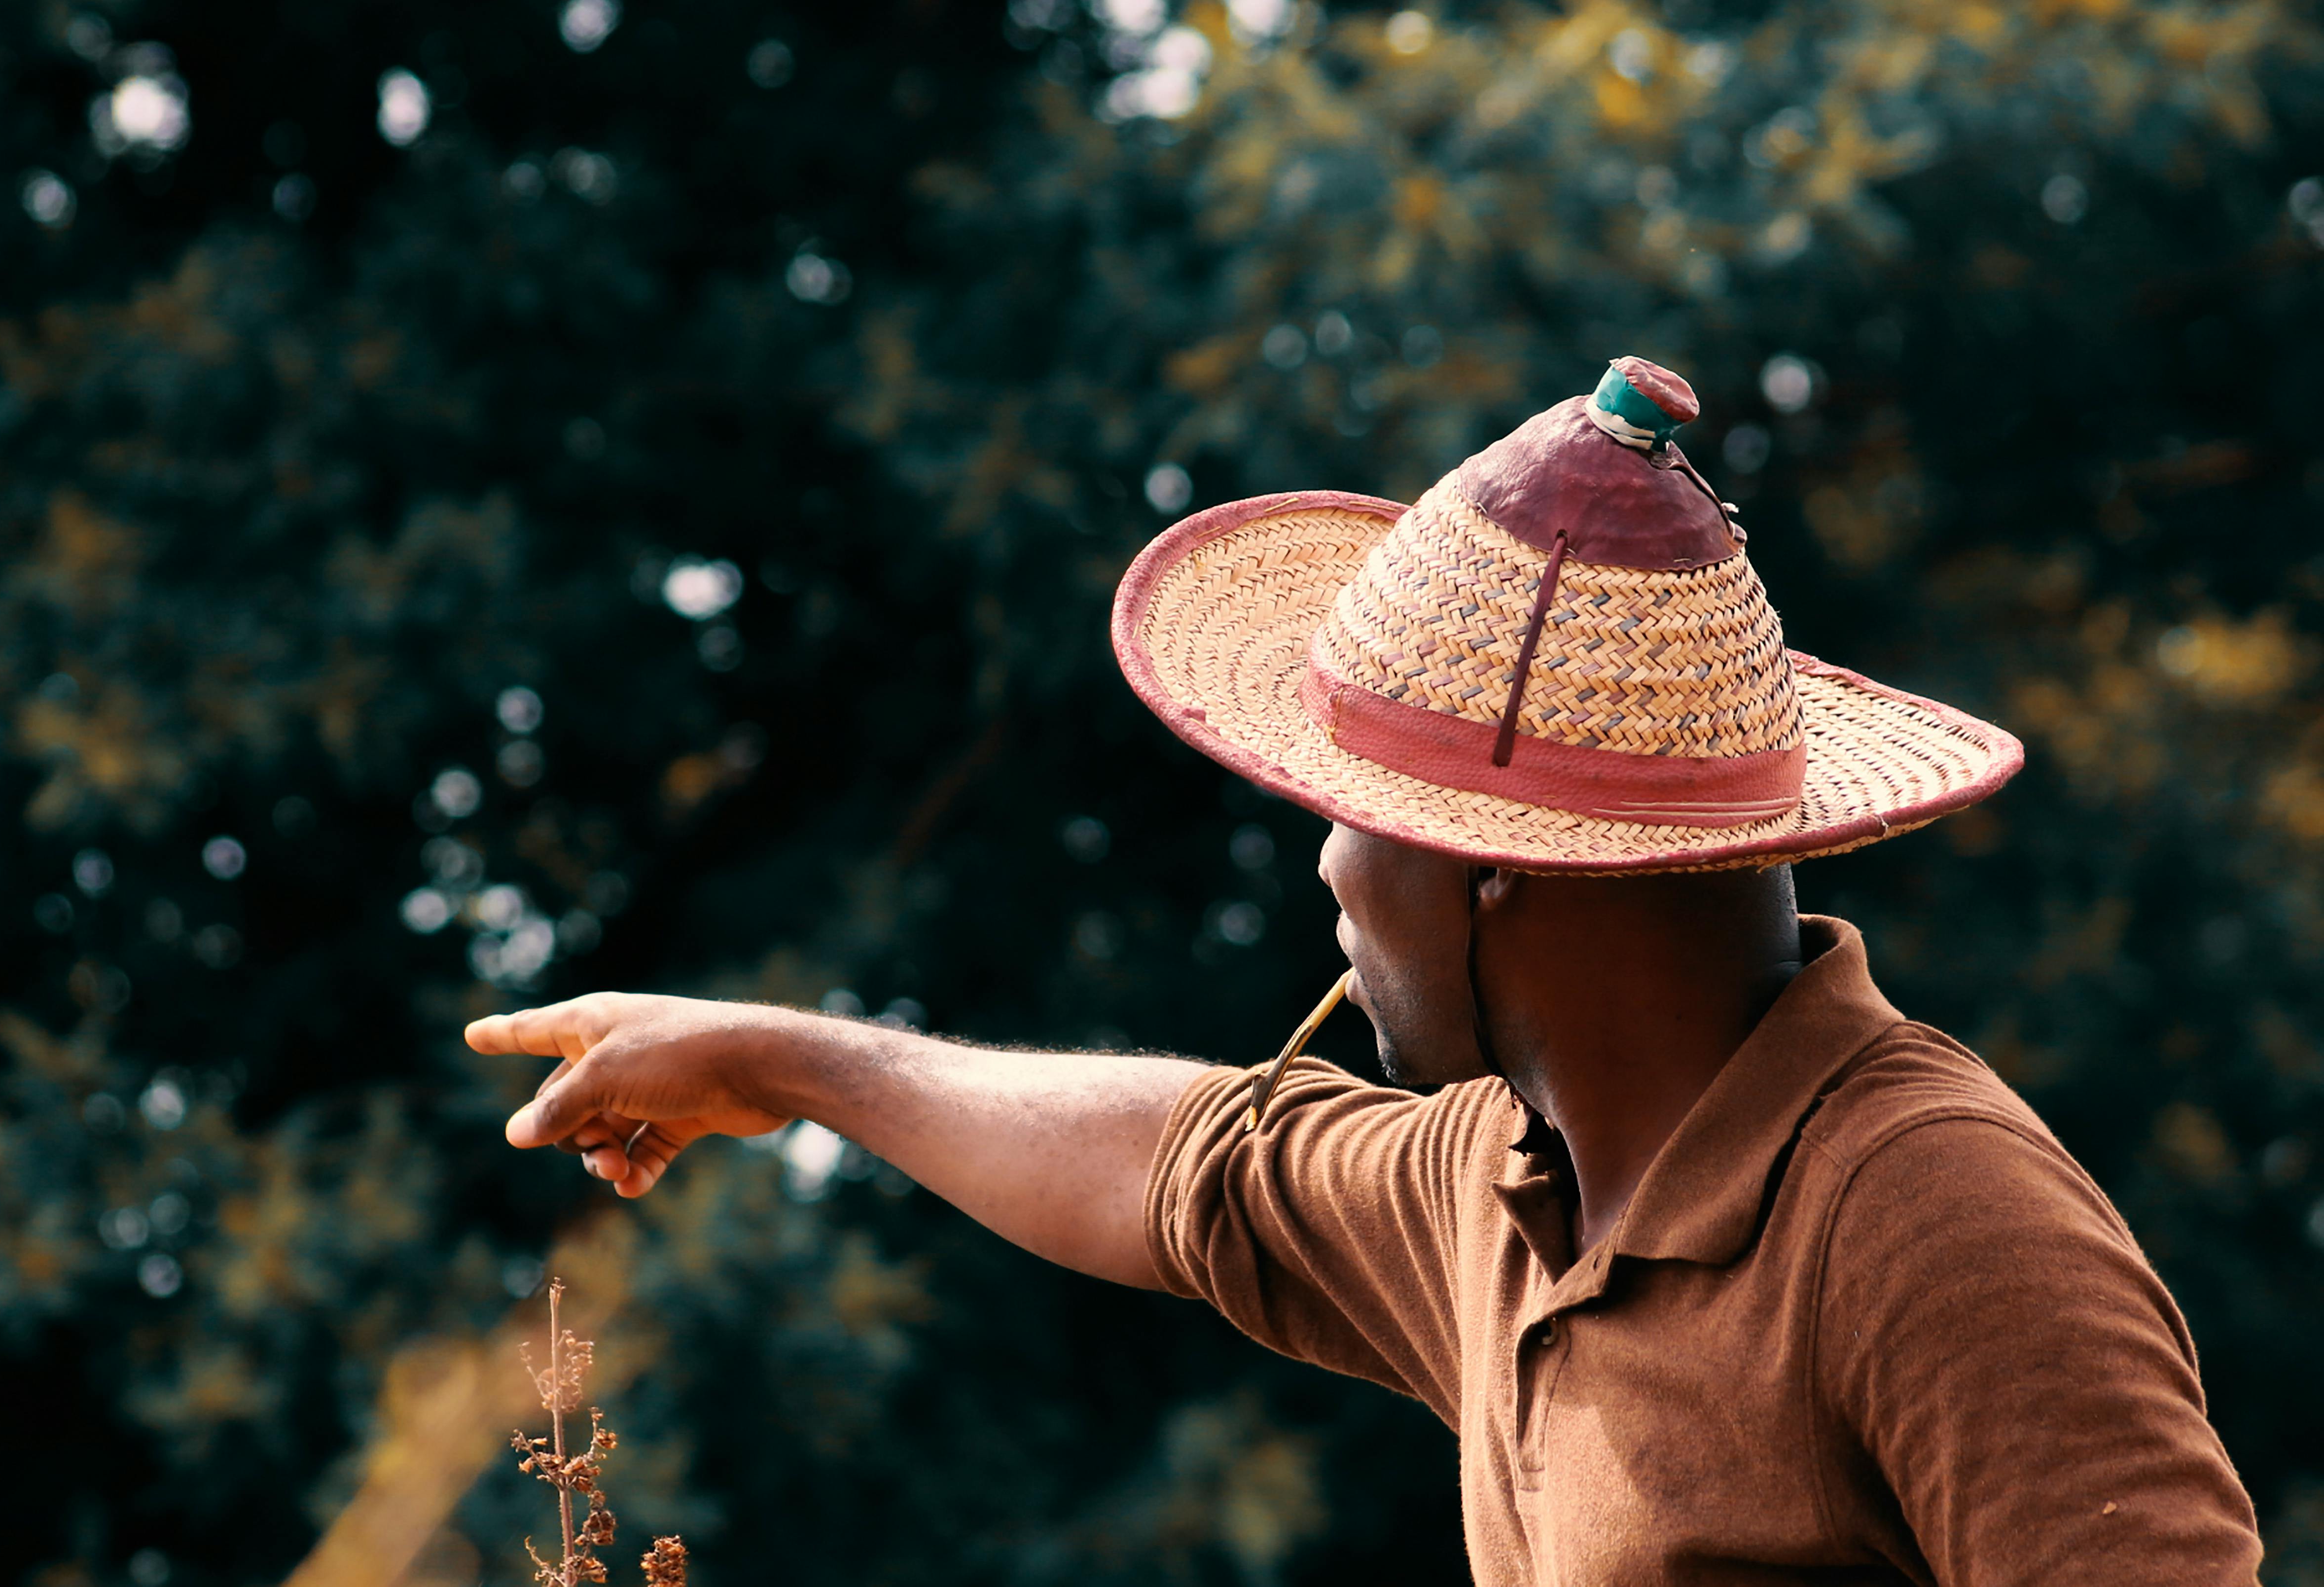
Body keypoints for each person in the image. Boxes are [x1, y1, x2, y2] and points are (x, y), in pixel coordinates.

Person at [468, 360, 2263, 1583]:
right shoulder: (1508, 1187)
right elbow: (1177, 1165)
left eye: (1354, 813)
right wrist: (779, 1061)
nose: (1326, 867)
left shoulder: (1932, 1227)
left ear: (1497, 868)